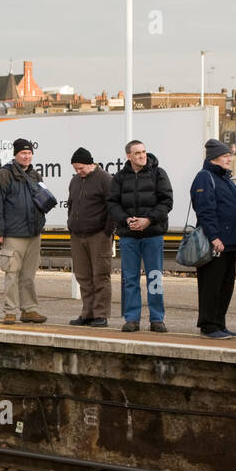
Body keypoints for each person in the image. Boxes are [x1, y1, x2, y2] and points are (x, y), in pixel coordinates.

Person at [107, 140, 173, 332]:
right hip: (128, 236)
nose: (142, 156)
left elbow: (166, 201)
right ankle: (132, 318)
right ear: (128, 156)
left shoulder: (158, 174)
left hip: (152, 234)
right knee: (130, 278)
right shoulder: (119, 178)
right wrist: (126, 220)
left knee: (154, 277)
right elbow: (112, 204)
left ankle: (157, 318)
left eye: (144, 152)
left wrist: (148, 220)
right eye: (137, 153)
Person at [190, 139, 236, 339]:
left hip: (230, 243)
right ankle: (208, 325)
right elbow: (206, 210)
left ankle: (219, 323)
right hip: (216, 244)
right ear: (213, 157)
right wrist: (214, 236)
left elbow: (234, 207)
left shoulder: (224, 178)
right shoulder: (205, 178)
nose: (229, 159)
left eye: (229, 156)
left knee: (225, 285)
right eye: (225, 156)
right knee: (211, 285)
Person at [0, 138, 48, 324]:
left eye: (29, 153)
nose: (27, 156)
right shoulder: (3, 176)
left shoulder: (36, 176)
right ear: (15, 154)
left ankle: (29, 309)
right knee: (12, 274)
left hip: (33, 233)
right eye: (23, 153)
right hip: (13, 233)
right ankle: (10, 311)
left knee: (29, 275)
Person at [65, 146, 114, 327]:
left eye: (81, 168)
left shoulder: (105, 179)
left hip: (98, 235)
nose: (78, 172)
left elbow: (112, 207)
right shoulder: (75, 181)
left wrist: (107, 231)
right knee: (83, 276)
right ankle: (87, 312)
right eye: (75, 169)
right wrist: (71, 224)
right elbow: (71, 204)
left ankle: (101, 314)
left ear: (90, 163)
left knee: (100, 275)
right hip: (78, 235)